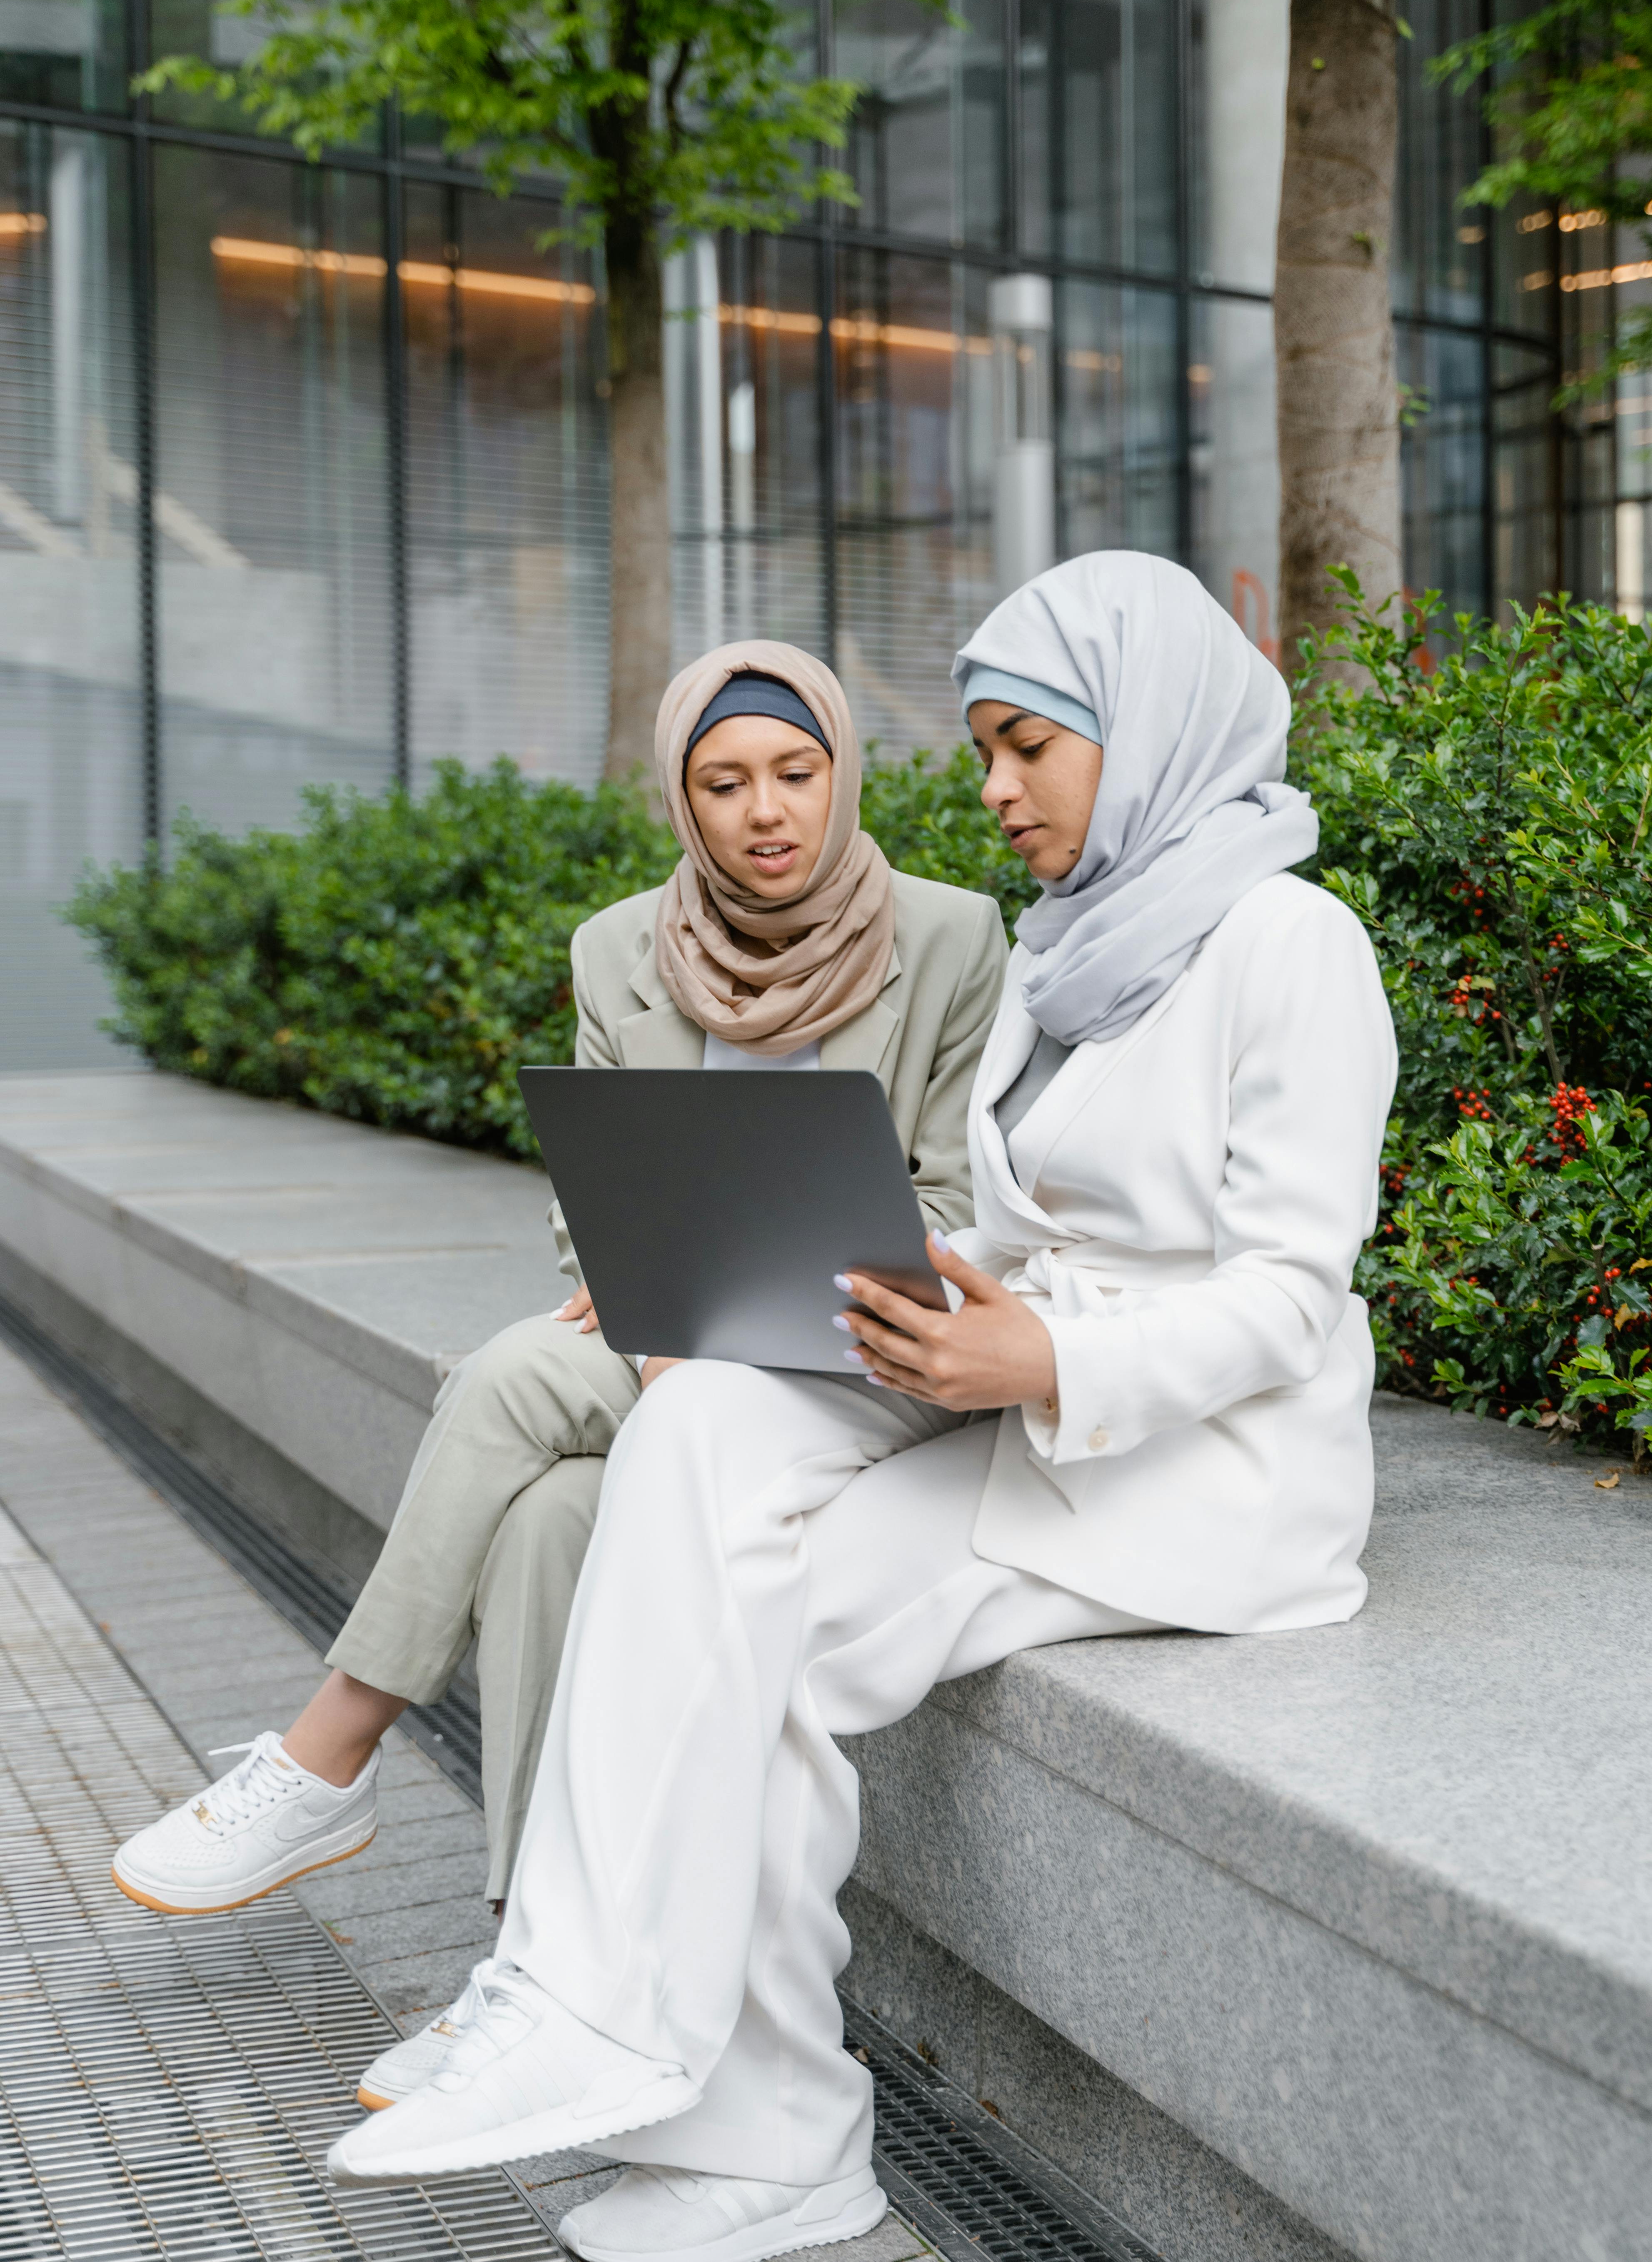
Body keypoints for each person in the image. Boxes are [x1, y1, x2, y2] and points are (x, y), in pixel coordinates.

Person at [321, 550, 1399, 2261]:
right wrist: (853, 1285)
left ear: (1146, 723)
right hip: (1013, 1392)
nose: (988, 788)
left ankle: (635, 2042)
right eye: (982, 747)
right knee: (698, 1423)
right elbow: (1020, 1226)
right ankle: (684, 2088)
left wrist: (1037, 1361)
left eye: (1024, 745)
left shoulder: (1288, 944)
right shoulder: (1073, 946)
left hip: (1200, 1477)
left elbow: (1291, 1294)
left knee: (775, 1624)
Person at [109, 642, 1007, 2096]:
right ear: (682, 798)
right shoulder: (620, 951)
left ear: (842, 774)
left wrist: (722, 1315)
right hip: (669, 1340)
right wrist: (657, 1313)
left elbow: (963, 1204)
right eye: (725, 783)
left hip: (866, 1355)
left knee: (514, 1379)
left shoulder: (954, 937)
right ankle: (536, 1965)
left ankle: (328, 1755)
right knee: (547, 1524)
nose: (766, 812)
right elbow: (591, 1182)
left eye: (796, 772)